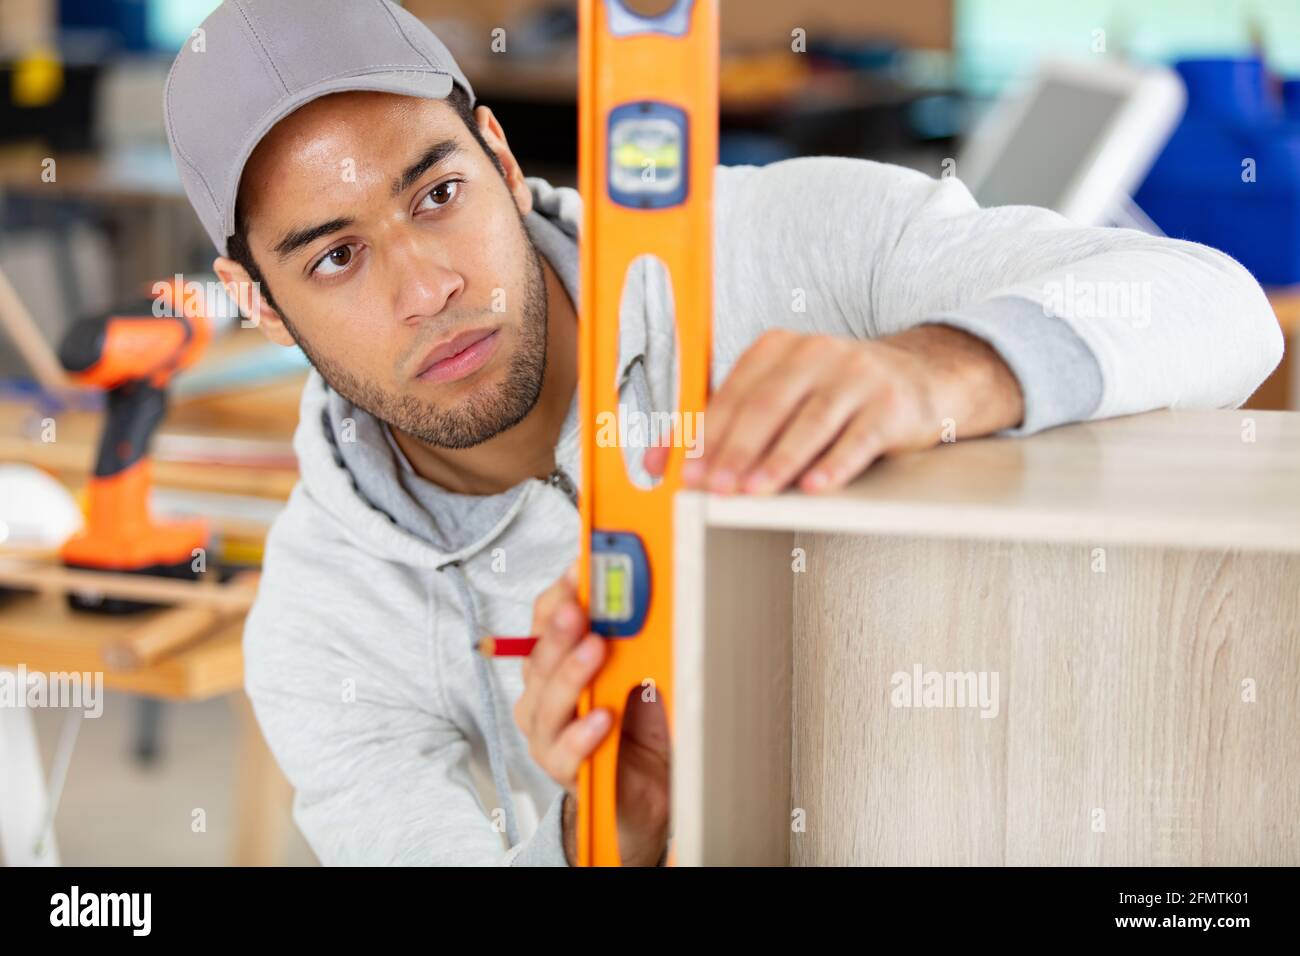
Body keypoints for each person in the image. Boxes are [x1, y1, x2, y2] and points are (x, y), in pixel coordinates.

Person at [163, 0, 1283, 865]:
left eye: (437, 193)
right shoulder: (321, 631)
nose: (427, 285)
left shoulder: (771, 243)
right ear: (254, 298)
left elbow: (1221, 311)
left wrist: (939, 369)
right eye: (335, 256)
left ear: (500, 157)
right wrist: (611, 837)